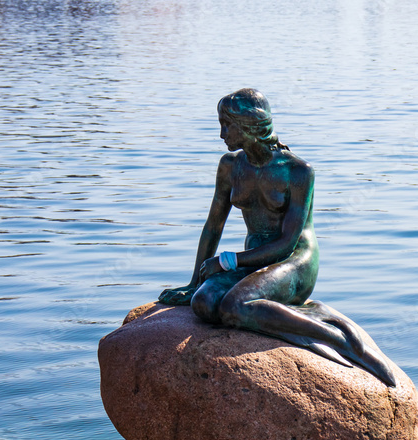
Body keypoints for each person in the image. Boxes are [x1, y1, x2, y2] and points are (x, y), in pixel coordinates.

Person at [159, 88, 396, 387]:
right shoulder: (230, 166)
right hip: (255, 260)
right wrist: (194, 283)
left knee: (235, 306)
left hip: (294, 260)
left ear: (250, 125)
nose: (221, 134)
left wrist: (228, 261)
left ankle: (341, 339)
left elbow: (286, 243)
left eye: (227, 124)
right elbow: (213, 226)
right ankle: (287, 314)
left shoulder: (297, 171)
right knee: (203, 302)